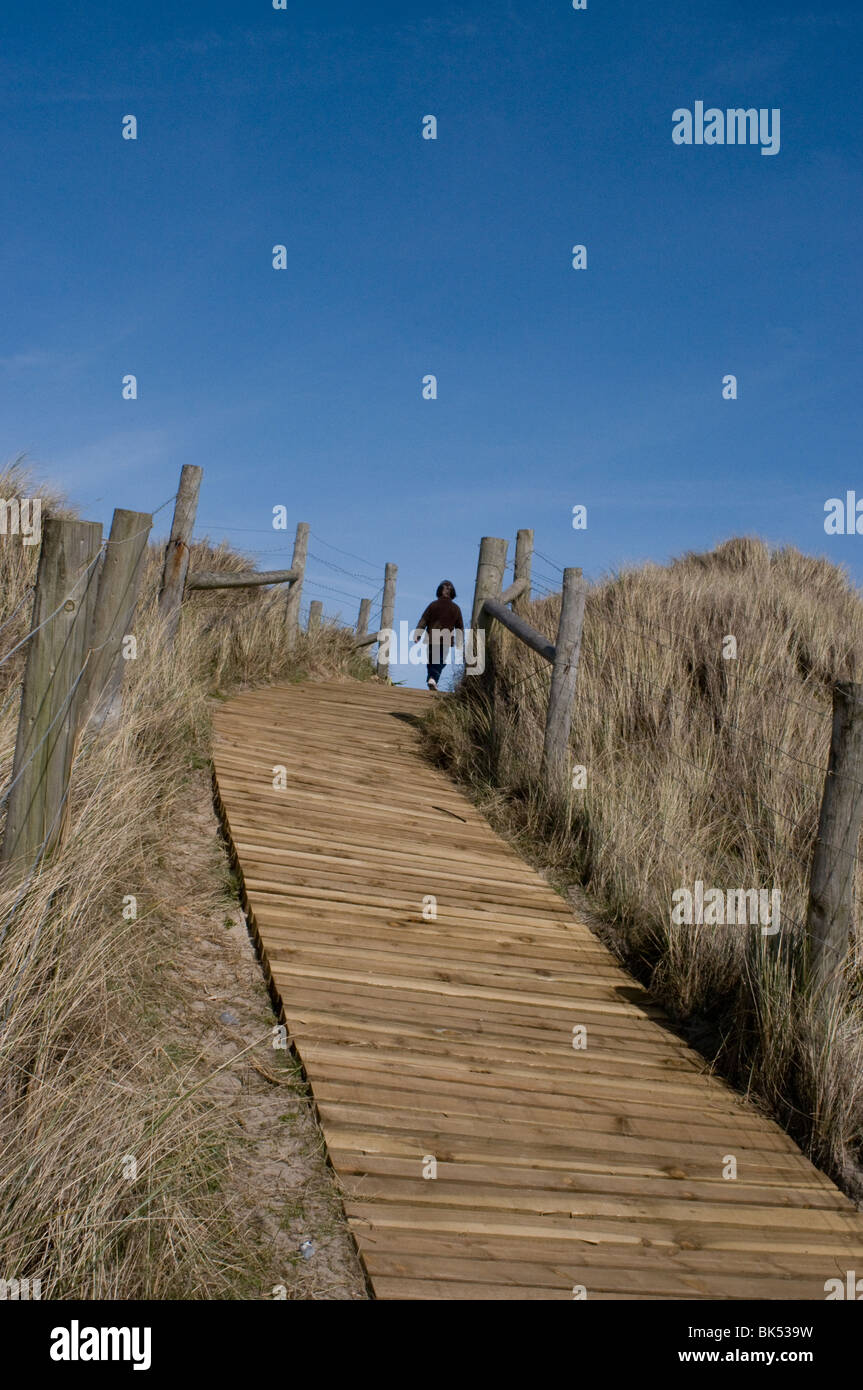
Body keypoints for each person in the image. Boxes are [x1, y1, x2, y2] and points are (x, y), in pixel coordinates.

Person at [414, 581, 464, 690]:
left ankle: (431, 679)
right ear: (452, 593)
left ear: (439, 591)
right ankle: (433, 679)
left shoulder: (433, 605)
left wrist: (418, 633)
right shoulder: (456, 608)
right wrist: (460, 641)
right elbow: (460, 626)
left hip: (432, 637)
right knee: (440, 660)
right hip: (445, 639)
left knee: (432, 661)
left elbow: (424, 620)